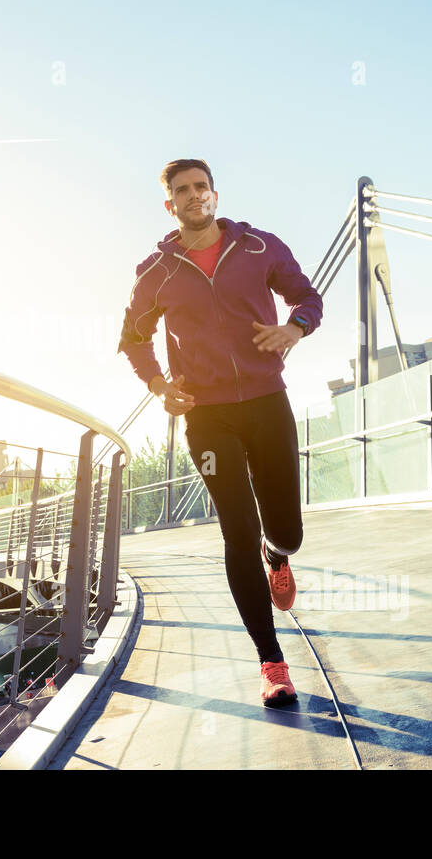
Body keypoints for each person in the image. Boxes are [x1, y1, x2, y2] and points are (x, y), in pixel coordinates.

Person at [116, 159, 322, 707]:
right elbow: (134, 339)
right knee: (236, 528)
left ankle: (277, 555)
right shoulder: (153, 272)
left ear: (214, 194)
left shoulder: (260, 248)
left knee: (289, 530)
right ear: (170, 205)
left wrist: (293, 328)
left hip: (265, 401)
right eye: (181, 191)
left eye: (200, 187)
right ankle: (271, 663)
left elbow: (308, 298)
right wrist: (160, 385)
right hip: (205, 414)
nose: (193, 196)